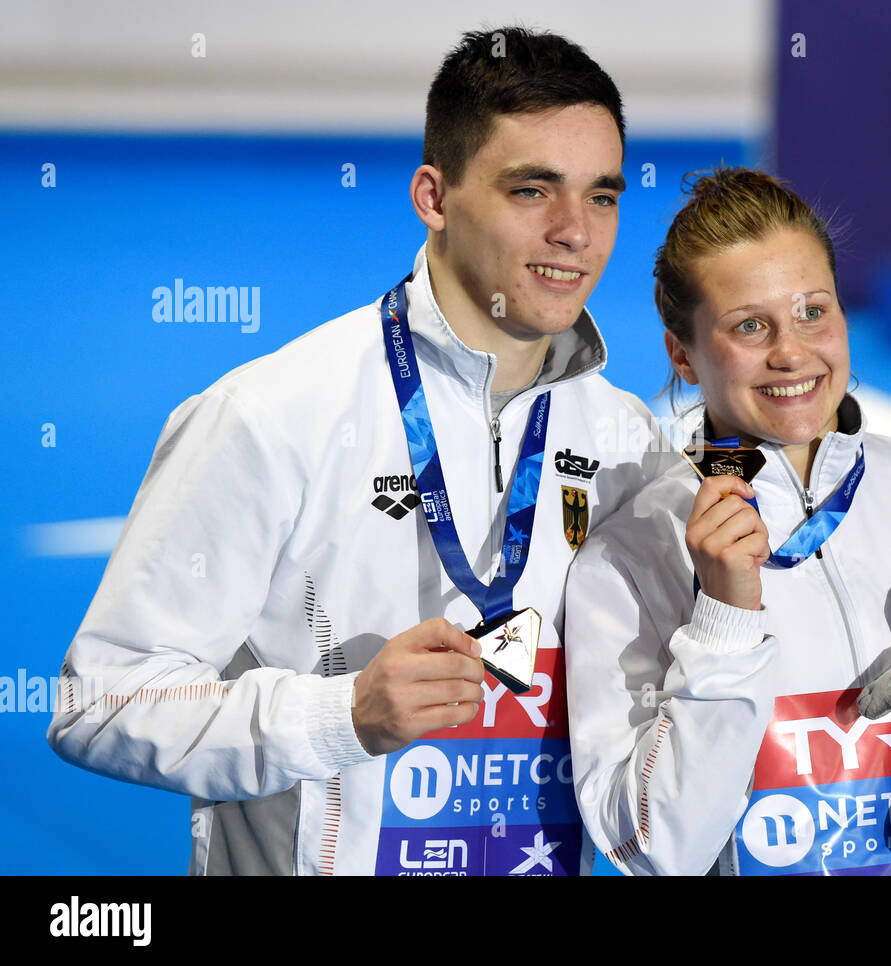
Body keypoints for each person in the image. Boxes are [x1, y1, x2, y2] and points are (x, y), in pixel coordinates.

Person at [47, 27, 672, 876]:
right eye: (533, 190)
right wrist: (340, 717)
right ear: (434, 196)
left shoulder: (626, 438)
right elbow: (100, 703)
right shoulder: (271, 416)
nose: (576, 232)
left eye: (603, 196)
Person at [564, 168, 891, 876]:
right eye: (750, 325)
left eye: (814, 310)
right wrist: (722, 622)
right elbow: (653, 850)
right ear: (682, 354)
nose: (791, 351)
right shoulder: (629, 556)